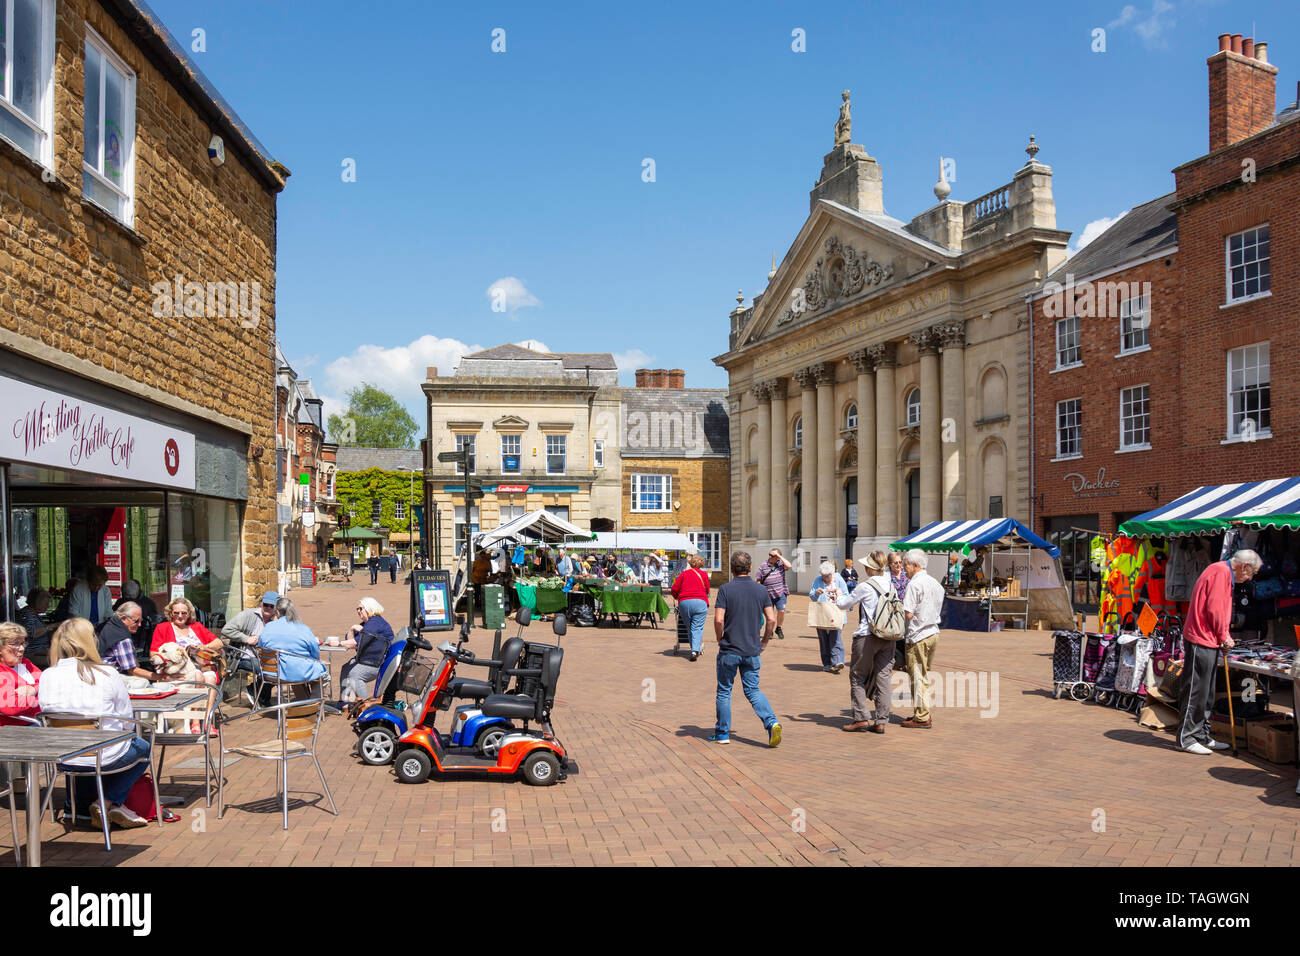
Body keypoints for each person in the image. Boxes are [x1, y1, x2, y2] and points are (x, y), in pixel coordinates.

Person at [38, 618, 151, 829]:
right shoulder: (107, 673)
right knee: (143, 745)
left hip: (63, 756)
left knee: (93, 746)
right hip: (102, 756)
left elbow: (46, 711)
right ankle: (106, 802)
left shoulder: (47, 675)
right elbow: (127, 721)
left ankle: (79, 807)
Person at [1176, 550, 1260, 755]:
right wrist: (1224, 635)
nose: (1250, 578)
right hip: (1201, 637)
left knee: (1207, 692)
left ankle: (1201, 734)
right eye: (1252, 573)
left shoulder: (1222, 572)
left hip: (1208, 639)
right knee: (1196, 689)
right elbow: (1215, 609)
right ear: (1245, 566)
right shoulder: (1221, 573)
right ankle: (1186, 737)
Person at [711, 551, 781, 747]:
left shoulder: (725, 589)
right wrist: (765, 641)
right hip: (752, 650)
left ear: (732, 569)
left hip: (730, 649)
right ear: (750, 568)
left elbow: (718, 619)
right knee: (753, 690)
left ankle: (723, 733)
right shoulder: (761, 591)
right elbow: (772, 619)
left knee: (724, 691)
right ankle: (771, 721)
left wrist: (720, 638)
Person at [838, 552, 895, 733]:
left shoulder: (865, 586)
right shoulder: (890, 583)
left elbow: (844, 604)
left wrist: (837, 595)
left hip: (867, 635)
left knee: (857, 676)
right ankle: (881, 720)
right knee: (883, 678)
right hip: (888, 635)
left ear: (870, 567)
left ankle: (861, 718)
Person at [900, 549, 945, 729]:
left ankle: (922, 716)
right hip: (933, 632)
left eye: (906, 565)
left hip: (918, 635)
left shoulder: (914, 584)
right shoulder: (935, 583)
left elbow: (908, 613)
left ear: (915, 565)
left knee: (917, 677)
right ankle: (922, 711)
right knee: (923, 675)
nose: (904, 569)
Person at [150, 597, 223, 705]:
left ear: (189, 614)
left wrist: (202, 647)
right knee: (198, 676)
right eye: (176, 613)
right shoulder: (163, 628)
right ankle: (195, 717)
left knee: (210, 679)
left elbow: (219, 643)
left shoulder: (196, 626)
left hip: (201, 666)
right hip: (180, 670)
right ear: (170, 613)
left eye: (183, 613)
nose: (180, 616)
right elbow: (153, 653)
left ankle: (207, 717)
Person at [0, 622, 42, 798]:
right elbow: (9, 707)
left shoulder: (25, 664)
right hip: (9, 729)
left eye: (23, 643)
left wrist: (32, 690)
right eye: (15, 643)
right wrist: (38, 699)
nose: (21, 648)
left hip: (29, 724)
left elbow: (46, 682)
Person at [257, 597, 327, 700]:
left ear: (276, 612)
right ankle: (313, 705)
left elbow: (261, 646)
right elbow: (315, 653)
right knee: (323, 674)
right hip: (296, 673)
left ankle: (302, 703)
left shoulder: (267, 627)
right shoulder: (303, 628)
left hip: (270, 674)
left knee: (296, 669)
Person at [340, 596, 396, 703]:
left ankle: (365, 705)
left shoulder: (375, 622)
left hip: (381, 662)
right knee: (346, 668)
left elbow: (354, 643)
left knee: (355, 674)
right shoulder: (366, 624)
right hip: (369, 659)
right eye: (357, 609)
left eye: (361, 608)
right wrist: (352, 629)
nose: (358, 611)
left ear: (370, 608)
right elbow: (350, 644)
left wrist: (338, 643)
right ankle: (346, 703)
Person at [95, 603, 158, 683]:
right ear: (124, 618)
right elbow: (132, 670)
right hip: (108, 677)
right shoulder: (123, 638)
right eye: (136, 621)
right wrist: (160, 677)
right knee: (143, 682)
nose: (139, 625)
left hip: (96, 673)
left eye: (141, 621)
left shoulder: (107, 625)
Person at [671, 553, 712, 661]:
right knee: (697, 627)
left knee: (689, 627)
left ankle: (693, 649)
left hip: (685, 602)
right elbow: (707, 590)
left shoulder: (684, 574)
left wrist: (676, 597)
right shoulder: (703, 574)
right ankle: (694, 650)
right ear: (701, 564)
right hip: (700, 602)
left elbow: (674, 588)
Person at [809, 561, 847, 673]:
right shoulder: (817, 580)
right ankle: (827, 663)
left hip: (837, 613)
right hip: (822, 614)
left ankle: (838, 661)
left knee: (836, 638)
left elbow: (846, 595)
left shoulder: (839, 580)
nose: (825, 578)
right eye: (823, 576)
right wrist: (817, 592)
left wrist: (836, 596)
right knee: (823, 639)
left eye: (828, 576)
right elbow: (812, 596)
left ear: (832, 573)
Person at [755, 548, 792, 639]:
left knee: (781, 611)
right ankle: (770, 630)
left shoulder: (780, 564)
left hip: (781, 592)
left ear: (777, 557)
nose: (770, 557)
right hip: (767, 594)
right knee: (769, 615)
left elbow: (789, 566)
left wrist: (779, 556)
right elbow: (758, 580)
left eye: (773, 555)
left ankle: (778, 628)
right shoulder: (763, 565)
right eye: (770, 555)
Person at [15, 587, 53, 659]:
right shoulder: (27, 614)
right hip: (33, 653)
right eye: (46, 604)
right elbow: (30, 633)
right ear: (37, 603)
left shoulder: (34, 614)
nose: (48, 606)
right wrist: (49, 627)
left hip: (41, 651)